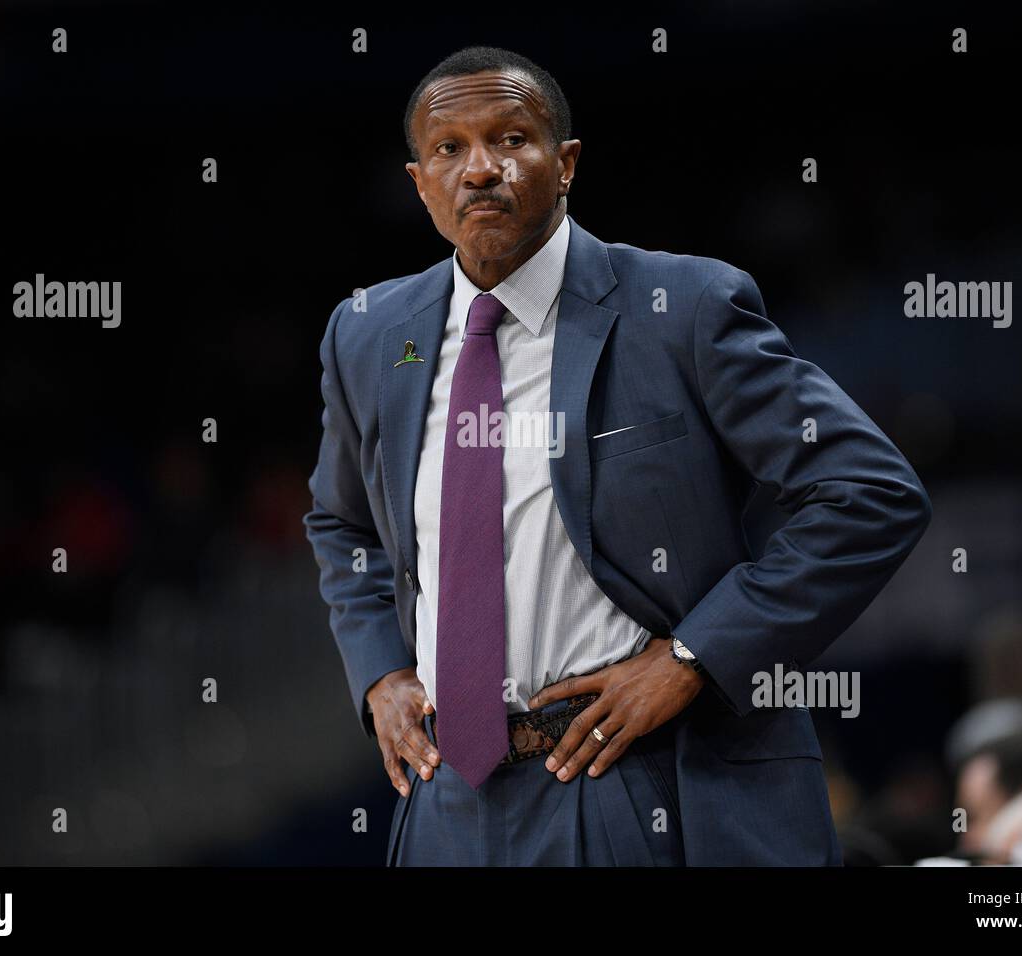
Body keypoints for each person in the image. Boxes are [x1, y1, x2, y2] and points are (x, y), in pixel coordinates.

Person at [303, 45, 931, 865]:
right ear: (420, 182)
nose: (481, 169)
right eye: (450, 149)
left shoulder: (684, 307)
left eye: (511, 139)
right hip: (446, 798)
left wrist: (694, 656)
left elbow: (871, 492)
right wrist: (380, 675)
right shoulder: (368, 333)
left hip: (639, 777)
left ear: (565, 164)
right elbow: (339, 522)